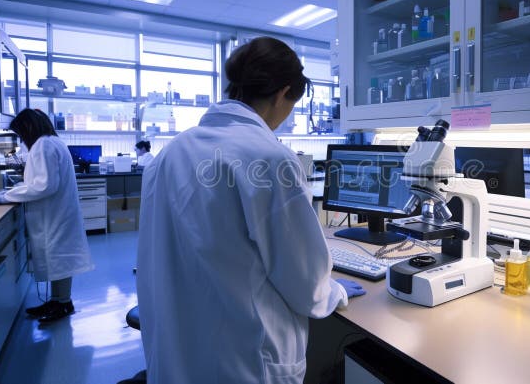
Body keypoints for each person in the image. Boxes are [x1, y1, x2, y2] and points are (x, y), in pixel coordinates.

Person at [137, 37, 365, 383]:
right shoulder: (270, 158)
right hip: (245, 362)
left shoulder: (172, 152)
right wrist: (335, 290)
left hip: (178, 357)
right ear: (281, 93)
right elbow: (306, 284)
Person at [0, 109, 94, 324]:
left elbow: (44, 186)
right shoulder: (52, 142)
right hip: (59, 212)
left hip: (54, 215)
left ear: (28, 127)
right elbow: (43, 182)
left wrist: (5, 196)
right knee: (60, 259)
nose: (22, 139)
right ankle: (59, 301)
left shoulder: (43, 145)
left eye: (21, 134)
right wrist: (18, 190)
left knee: (59, 258)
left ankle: (63, 303)